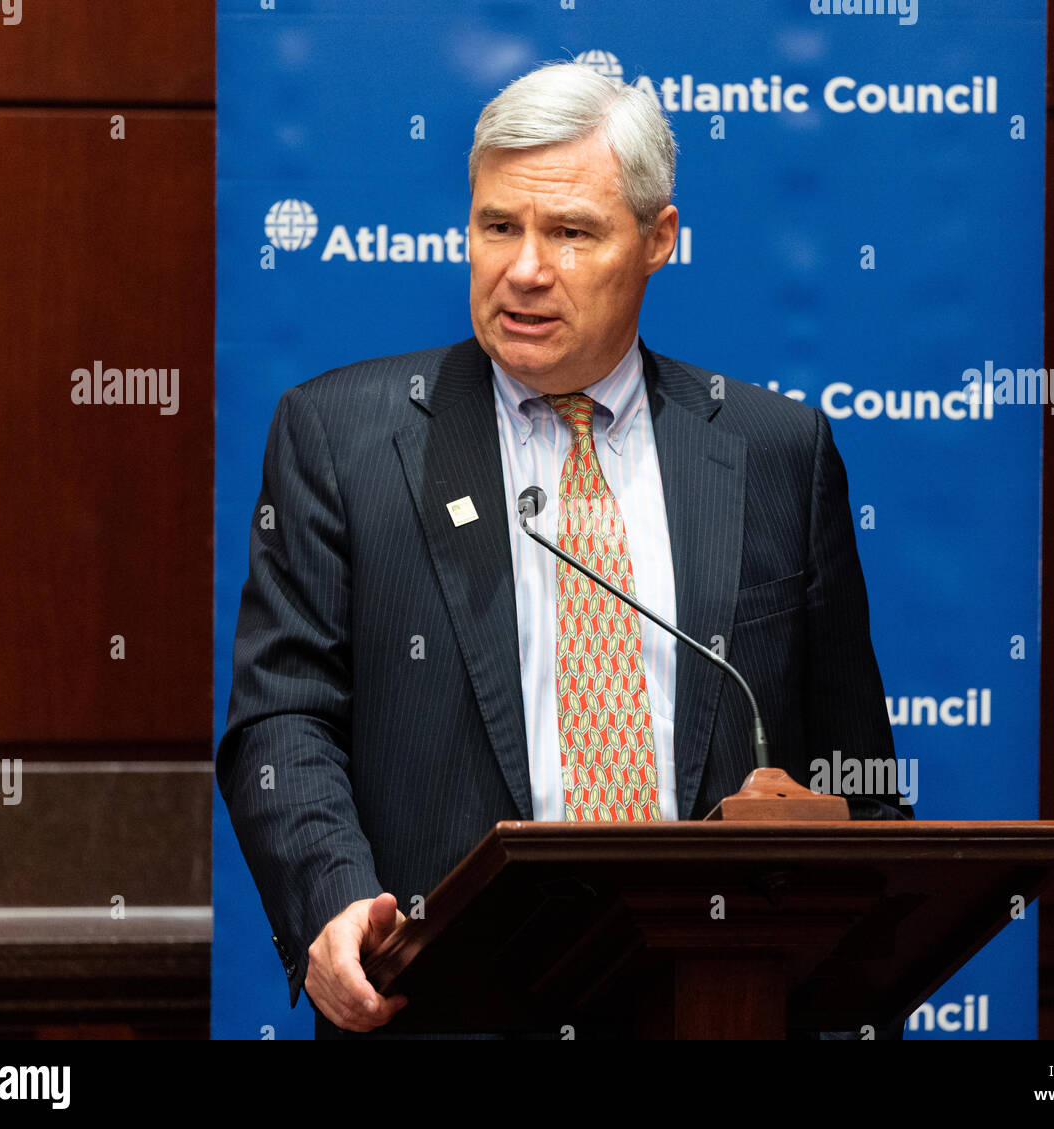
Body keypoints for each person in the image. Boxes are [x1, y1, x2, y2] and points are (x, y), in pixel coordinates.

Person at [217, 61, 910, 1040]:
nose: (525, 268)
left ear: (658, 240)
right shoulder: (340, 437)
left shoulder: (775, 453)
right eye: (499, 225)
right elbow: (283, 716)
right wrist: (332, 898)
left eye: (570, 232)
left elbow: (852, 765)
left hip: (718, 1002)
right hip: (443, 1008)